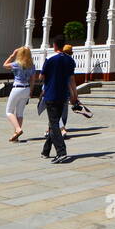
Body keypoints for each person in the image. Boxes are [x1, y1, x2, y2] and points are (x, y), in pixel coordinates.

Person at [39, 35, 78, 163]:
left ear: (54, 45)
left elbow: (41, 77)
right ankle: (46, 151)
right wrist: (74, 95)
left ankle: (61, 152)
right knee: (54, 122)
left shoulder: (50, 58)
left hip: (51, 94)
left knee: (54, 123)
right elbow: (72, 80)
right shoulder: (70, 60)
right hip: (63, 95)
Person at [3, 46, 35, 142]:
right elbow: (33, 80)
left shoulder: (17, 64)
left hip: (17, 88)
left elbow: (4, 65)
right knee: (20, 113)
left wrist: (12, 55)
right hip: (26, 88)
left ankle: (18, 129)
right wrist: (31, 91)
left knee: (9, 111)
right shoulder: (32, 66)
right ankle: (16, 136)